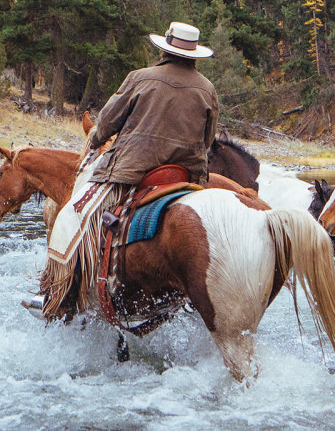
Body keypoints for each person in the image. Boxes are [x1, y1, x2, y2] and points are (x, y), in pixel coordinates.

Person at [39, 21, 219, 321]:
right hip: (185, 177)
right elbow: (208, 139)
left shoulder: (140, 78)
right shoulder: (207, 89)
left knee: (76, 215)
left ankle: (59, 296)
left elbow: (108, 122)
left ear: (164, 49)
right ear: (194, 56)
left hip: (131, 172)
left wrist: (95, 140)